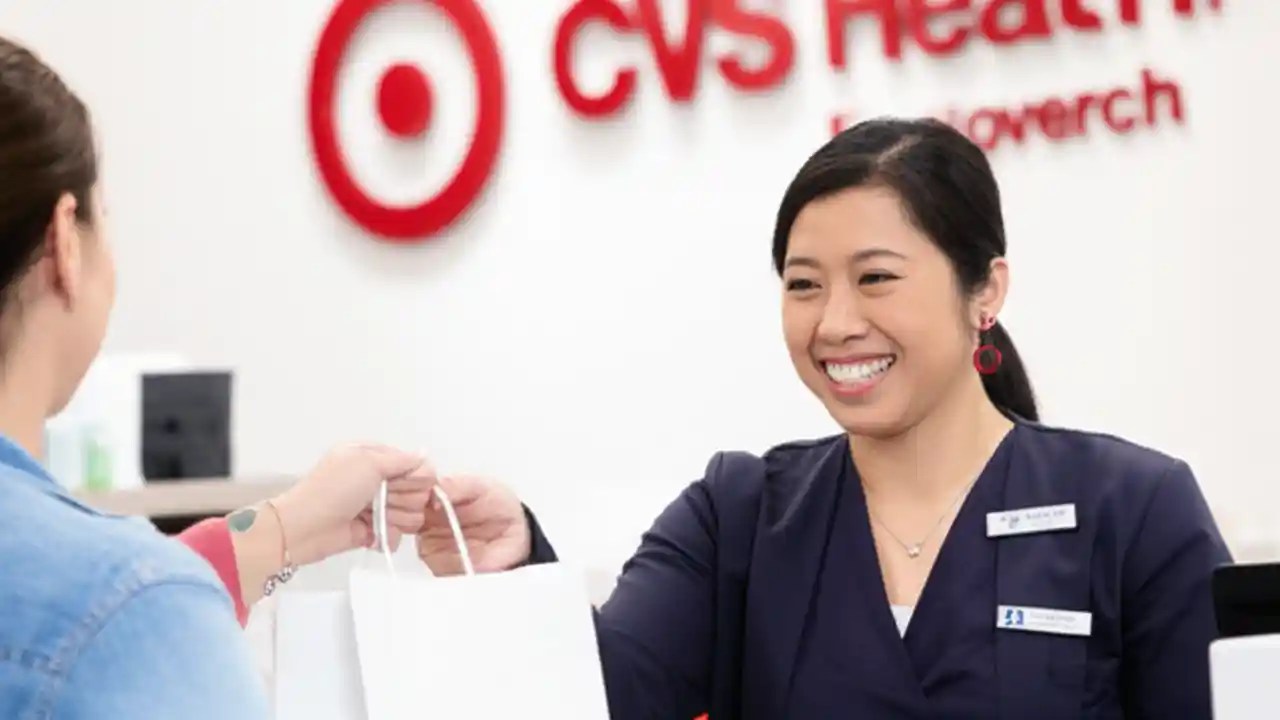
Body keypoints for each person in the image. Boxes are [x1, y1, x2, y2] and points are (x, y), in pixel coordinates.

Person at [416, 118, 1233, 719]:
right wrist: (513, 572)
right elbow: (606, 696)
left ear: (985, 290)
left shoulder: (1134, 510)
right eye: (804, 285)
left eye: (875, 278)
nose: (835, 323)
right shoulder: (738, 517)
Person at [0, 36, 433, 719]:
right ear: (64, 242)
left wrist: (282, 527)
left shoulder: (124, 605)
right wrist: (161, 594)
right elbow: (110, 619)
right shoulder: (136, 616)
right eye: (104, 217)